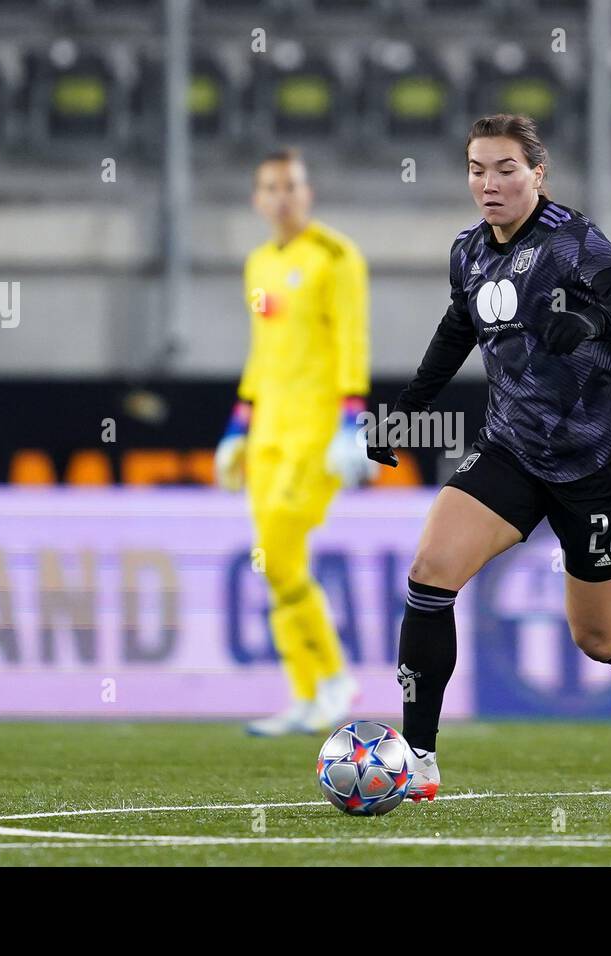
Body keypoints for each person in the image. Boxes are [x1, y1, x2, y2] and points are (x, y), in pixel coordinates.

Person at [367, 114, 611, 800]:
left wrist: (587, 318)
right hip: (513, 449)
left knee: (599, 638)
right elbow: (456, 330)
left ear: (537, 174)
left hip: (599, 456)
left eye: (505, 170)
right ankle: (421, 760)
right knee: (430, 573)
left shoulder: (568, 239)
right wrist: (407, 407)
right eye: (477, 170)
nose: (489, 184)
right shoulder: (468, 252)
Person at [216, 148, 372, 736]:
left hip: (316, 430)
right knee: (278, 566)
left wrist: (352, 420)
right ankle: (306, 694)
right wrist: (238, 426)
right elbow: (262, 350)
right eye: (272, 187)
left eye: (293, 185)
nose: (283, 196)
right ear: (258, 200)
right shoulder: (258, 266)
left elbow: (353, 338)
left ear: (307, 194)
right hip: (268, 434)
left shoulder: (336, 258)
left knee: (280, 549)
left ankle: (334, 679)